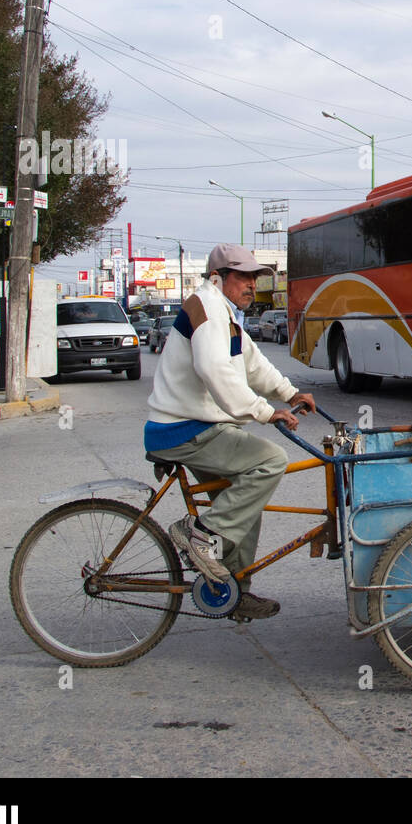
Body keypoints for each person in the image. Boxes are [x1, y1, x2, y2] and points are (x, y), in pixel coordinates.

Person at [145, 243, 315, 622]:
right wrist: (265, 412)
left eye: (255, 278)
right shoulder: (205, 307)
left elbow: (253, 364)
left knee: (244, 502)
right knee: (270, 461)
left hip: (199, 424)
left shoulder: (227, 315)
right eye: (244, 277)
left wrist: (290, 393)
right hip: (183, 428)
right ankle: (200, 535)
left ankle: (233, 589)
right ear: (218, 277)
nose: (252, 285)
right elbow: (214, 370)